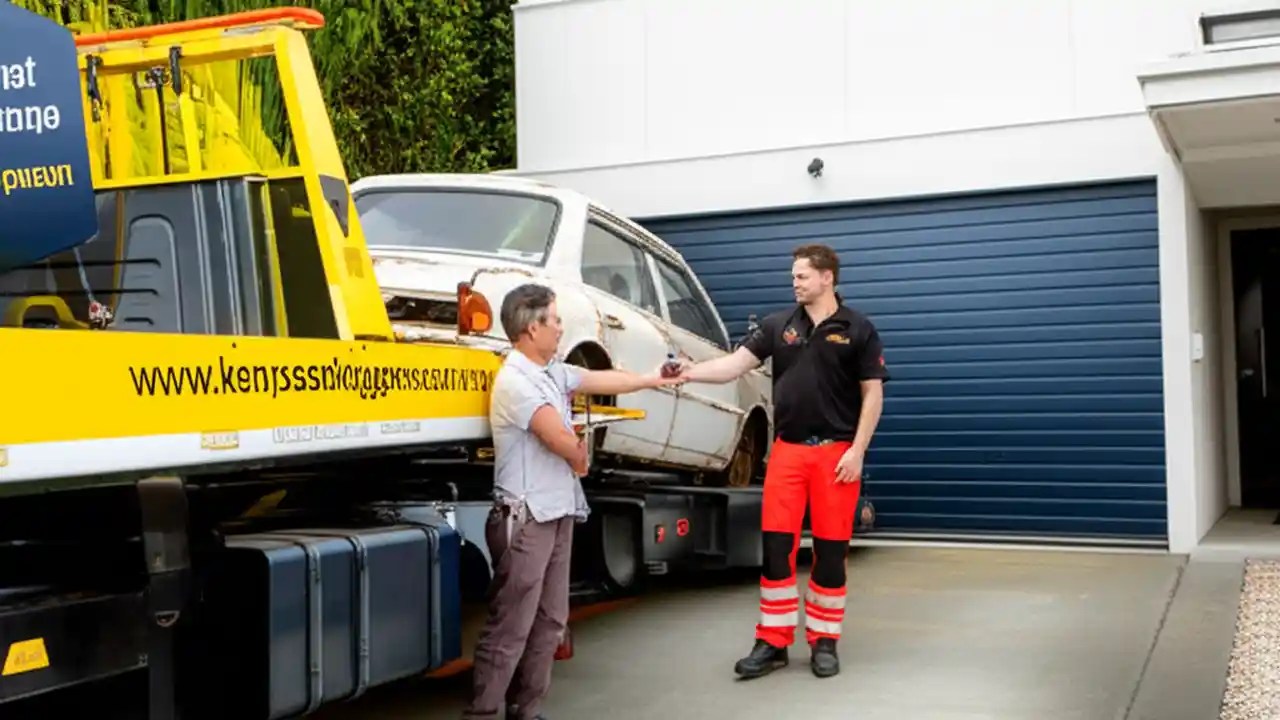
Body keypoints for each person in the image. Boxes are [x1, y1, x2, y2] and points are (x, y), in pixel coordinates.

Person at [464, 282, 683, 720]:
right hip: (526, 519)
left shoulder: (552, 372)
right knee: (513, 625)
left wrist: (654, 377)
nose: (561, 328)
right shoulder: (515, 381)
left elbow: (602, 379)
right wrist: (580, 455)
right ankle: (484, 713)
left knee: (550, 621)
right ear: (530, 329)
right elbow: (557, 437)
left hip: (558, 511)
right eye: (555, 320)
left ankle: (527, 710)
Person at [675, 243, 888, 679]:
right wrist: (689, 372)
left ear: (827, 277)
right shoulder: (778, 326)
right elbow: (734, 365)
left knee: (830, 552)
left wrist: (857, 451)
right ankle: (772, 642)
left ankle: (824, 641)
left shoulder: (859, 328)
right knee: (776, 550)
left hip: (837, 455)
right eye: (793, 276)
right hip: (787, 453)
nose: (794, 282)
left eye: (802, 276)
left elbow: (873, 394)